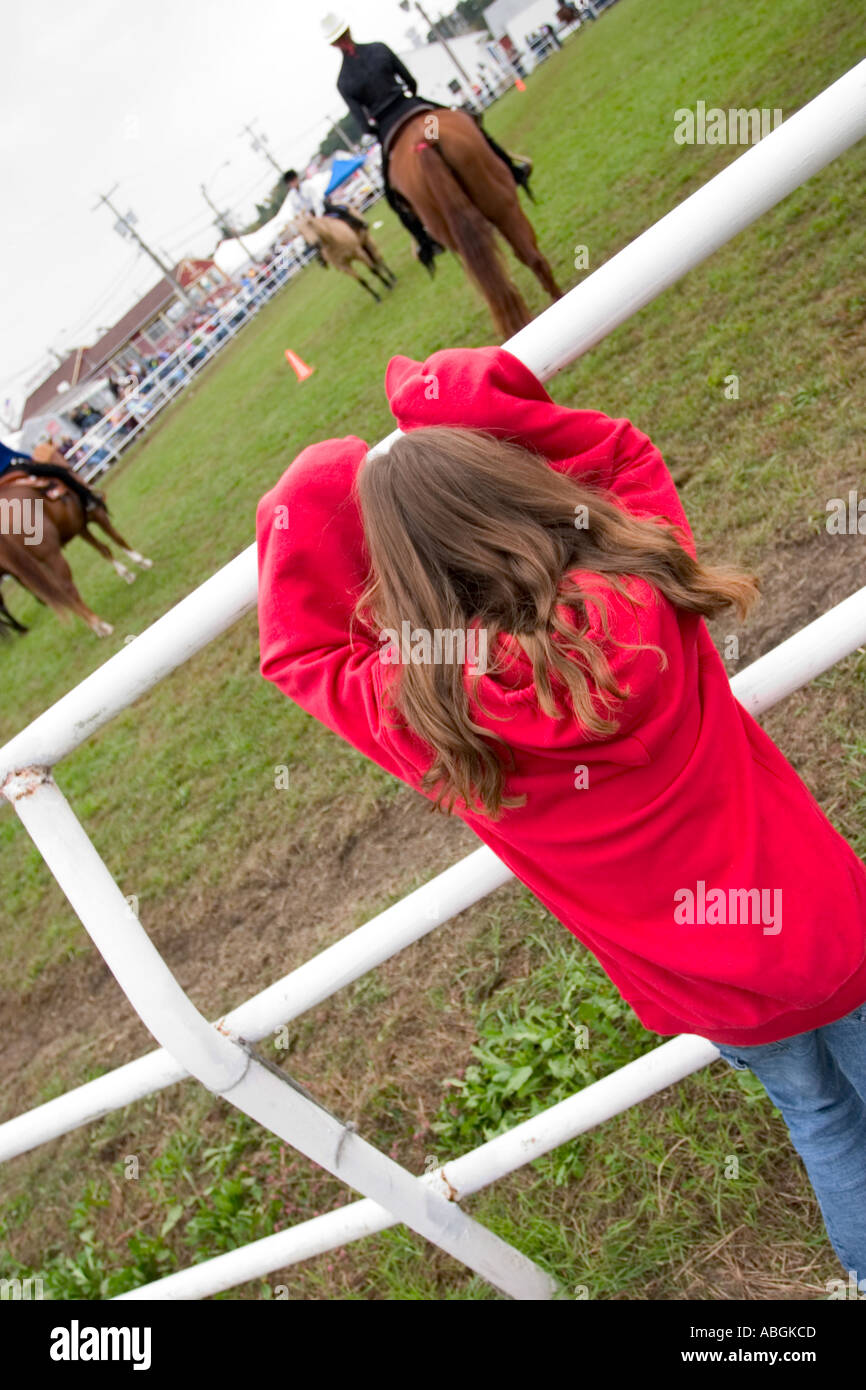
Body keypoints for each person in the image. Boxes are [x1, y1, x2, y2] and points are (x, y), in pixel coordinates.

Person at [256, 345, 866, 1281]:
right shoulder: (640, 570)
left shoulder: (427, 712)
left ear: (402, 584)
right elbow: (617, 451)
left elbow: (302, 651)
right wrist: (433, 400)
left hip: (708, 985)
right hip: (829, 923)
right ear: (522, 490)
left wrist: (332, 482)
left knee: (818, 1115)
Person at [322, 14, 534, 270]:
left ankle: (424, 240)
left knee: (392, 193)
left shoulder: (343, 81)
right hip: (416, 109)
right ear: (348, 30)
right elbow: (410, 81)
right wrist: (408, 98)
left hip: (389, 128)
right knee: (467, 123)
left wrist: (379, 125)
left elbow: (365, 125)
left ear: (333, 44)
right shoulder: (378, 48)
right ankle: (511, 167)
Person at [0, 438, 103, 512]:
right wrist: (31, 458)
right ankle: (87, 498)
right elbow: (10, 453)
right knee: (59, 472)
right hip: (12, 469)